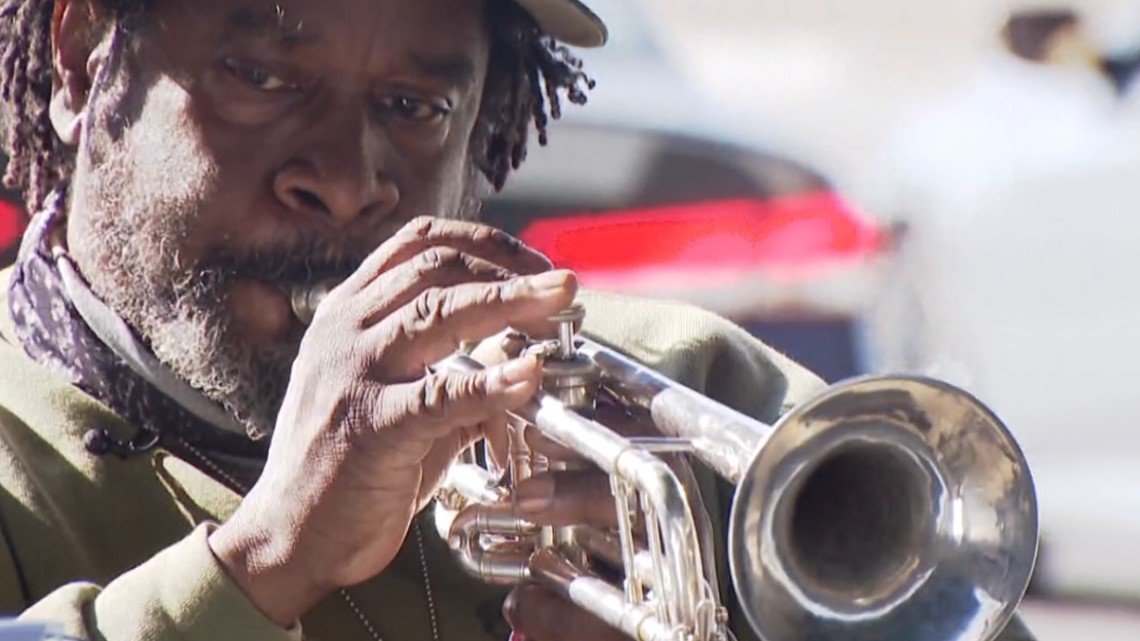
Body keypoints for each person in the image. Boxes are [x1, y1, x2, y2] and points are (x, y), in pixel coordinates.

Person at [0, 1, 1038, 640]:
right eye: (263, 78)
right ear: (87, 57)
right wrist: (268, 556)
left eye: (416, 109)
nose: (348, 179)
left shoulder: (686, 387)